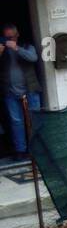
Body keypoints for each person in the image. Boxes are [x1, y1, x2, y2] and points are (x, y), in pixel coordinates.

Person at [0, 24, 43, 158]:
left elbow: (33, 58)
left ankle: (36, 150)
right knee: (16, 122)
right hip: (10, 92)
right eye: (5, 38)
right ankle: (20, 150)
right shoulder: (2, 50)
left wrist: (17, 48)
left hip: (30, 90)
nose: (8, 40)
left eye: (10, 37)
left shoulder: (26, 46)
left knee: (33, 120)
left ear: (17, 35)